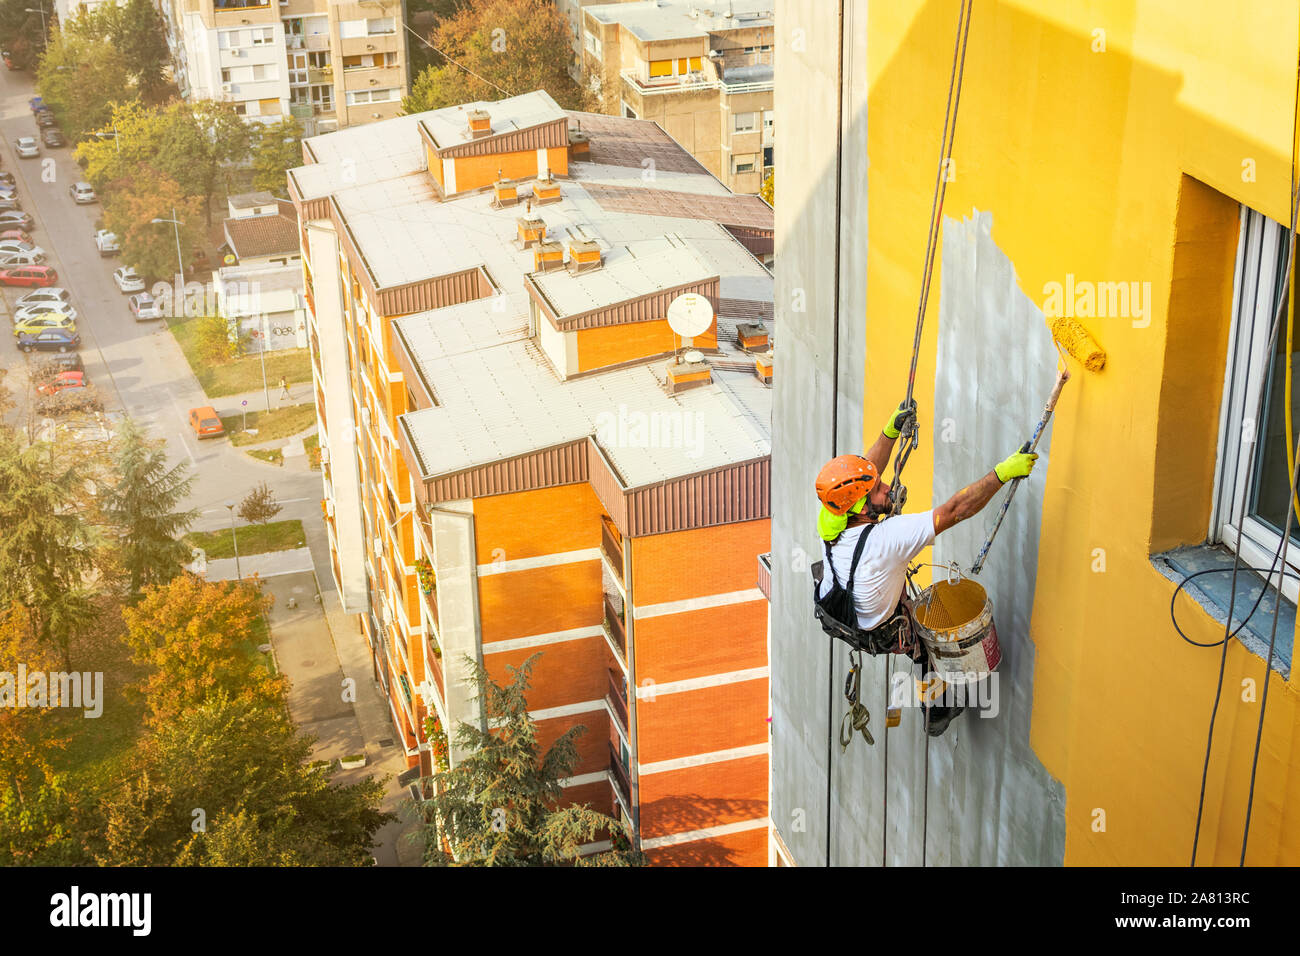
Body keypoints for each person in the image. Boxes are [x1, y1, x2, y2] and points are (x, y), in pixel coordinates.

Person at [814, 401, 1038, 735]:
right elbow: (955, 510)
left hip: (839, 609)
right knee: (926, 649)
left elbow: (866, 476)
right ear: (861, 509)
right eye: (879, 490)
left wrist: (889, 433)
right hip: (878, 627)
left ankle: (935, 703)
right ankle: (937, 711)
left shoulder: (831, 518)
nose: (887, 487)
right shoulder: (888, 538)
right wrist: (1002, 473)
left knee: (912, 617)